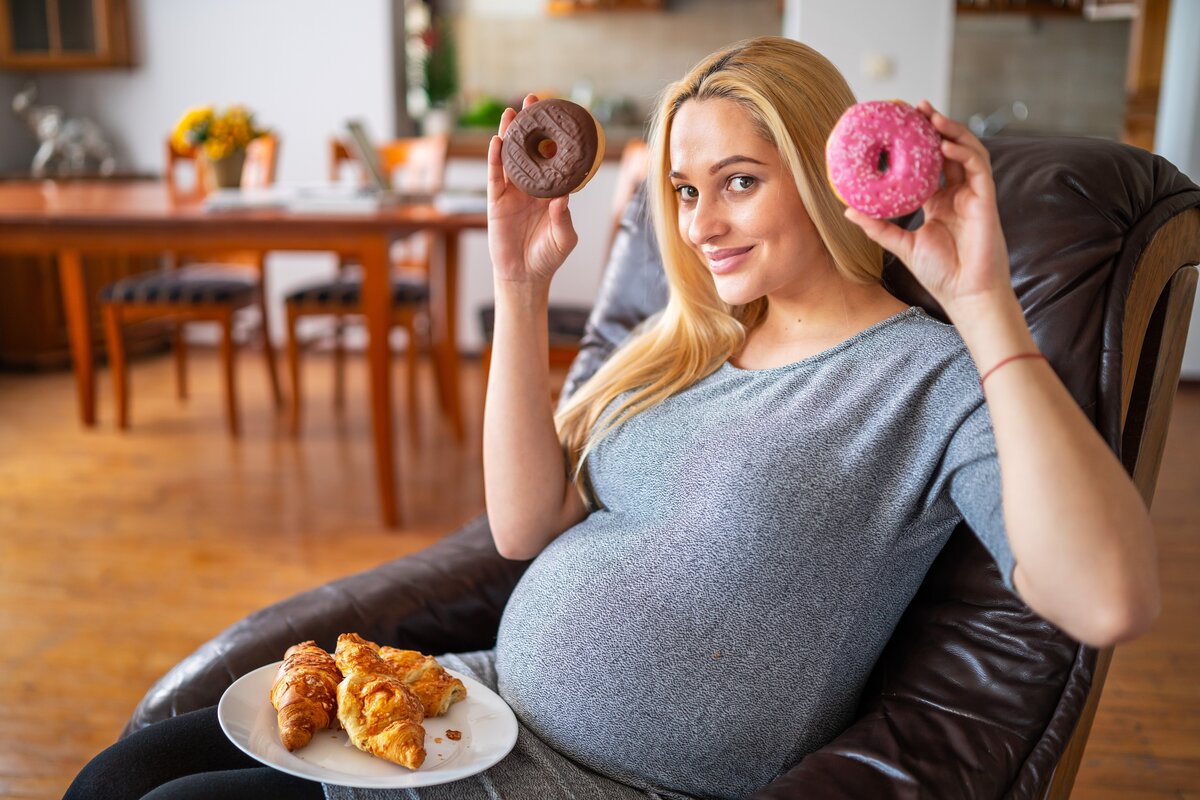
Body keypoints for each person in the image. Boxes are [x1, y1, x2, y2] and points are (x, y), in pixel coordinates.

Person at [65, 35, 1158, 800]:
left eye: (737, 181)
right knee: (121, 773)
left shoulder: (927, 375)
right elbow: (523, 523)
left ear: (831, 174)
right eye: (684, 192)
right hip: (467, 712)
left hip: (595, 782)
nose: (702, 225)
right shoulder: (688, 341)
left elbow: (1104, 596)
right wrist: (522, 281)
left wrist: (983, 302)